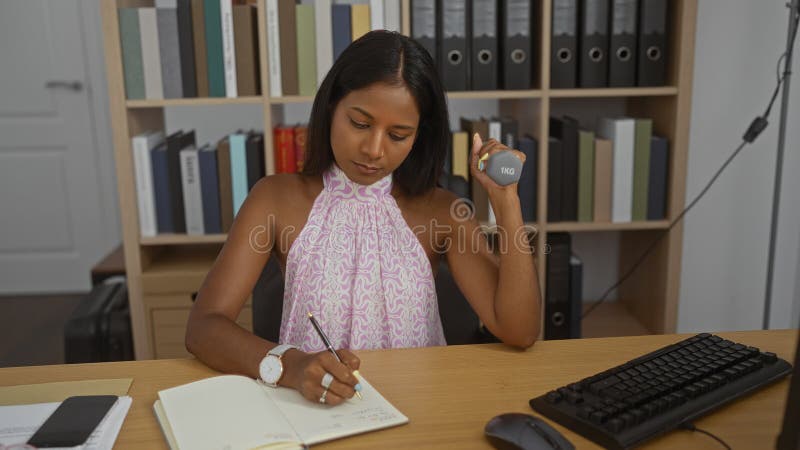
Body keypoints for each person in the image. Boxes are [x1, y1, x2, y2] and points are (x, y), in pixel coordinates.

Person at [186, 30, 541, 407]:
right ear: (331, 108)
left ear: (419, 136)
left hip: (418, 412)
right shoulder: (274, 200)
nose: (374, 150)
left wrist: (506, 203)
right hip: (310, 412)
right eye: (359, 123)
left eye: (398, 135)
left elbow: (519, 330)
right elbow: (204, 327)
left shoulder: (443, 212)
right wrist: (291, 366)